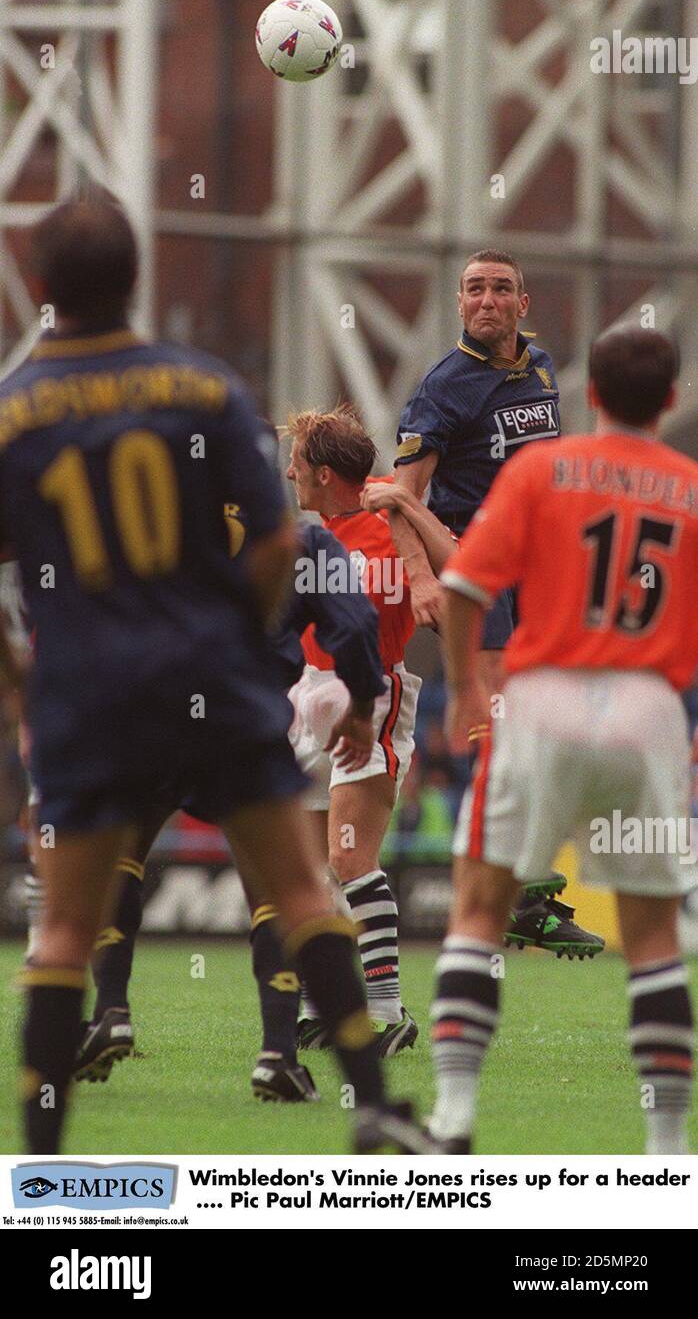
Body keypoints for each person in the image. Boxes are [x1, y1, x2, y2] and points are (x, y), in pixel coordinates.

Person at [2, 197, 424, 1154]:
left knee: (67, 925)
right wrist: (234, 641)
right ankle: (377, 1109)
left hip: (89, 695)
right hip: (212, 684)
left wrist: (22, 680)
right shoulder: (201, 390)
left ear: (37, 288)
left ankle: (39, 1158)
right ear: (138, 278)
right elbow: (283, 540)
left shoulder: (14, 409)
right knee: (302, 891)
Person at [431, 327, 697, 1153]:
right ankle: (664, 1150)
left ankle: (453, 1120)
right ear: (671, 402)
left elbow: (466, 584)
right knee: (652, 936)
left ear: (588, 395)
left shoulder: (539, 470)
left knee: (479, 907)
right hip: (649, 711)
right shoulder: (690, 488)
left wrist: (469, 686)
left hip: (542, 702)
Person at [72, 517, 387, 1107]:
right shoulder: (300, 540)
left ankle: (111, 1009)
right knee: (280, 888)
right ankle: (279, 1057)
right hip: (247, 721)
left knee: (122, 857)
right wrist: (363, 706)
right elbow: (357, 621)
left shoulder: (145, 523)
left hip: (151, 713)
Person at [387, 248, 604, 958]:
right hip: (477, 573)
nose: (486, 299)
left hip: (536, 574)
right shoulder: (444, 388)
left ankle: (515, 891)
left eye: (500, 289)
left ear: (523, 303)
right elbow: (398, 497)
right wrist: (421, 577)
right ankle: (515, 895)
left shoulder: (537, 367)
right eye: (474, 289)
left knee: (531, 728)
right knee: (498, 726)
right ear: (458, 304)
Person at [285, 407, 420, 1054]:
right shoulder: (323, 535)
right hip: (310, 693)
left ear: (325, 474)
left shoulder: (389, 530)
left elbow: (433, 593)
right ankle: (321, 1009)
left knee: (347, 857)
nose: (289, 472)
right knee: (311, 869)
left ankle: (390, 1015)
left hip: (372, 694)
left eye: (299, 464)